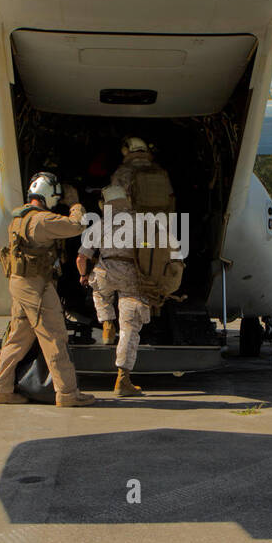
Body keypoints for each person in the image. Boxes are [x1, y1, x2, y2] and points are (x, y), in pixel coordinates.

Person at [0, 172, 96, 407]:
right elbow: (77, 225)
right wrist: (75, 202)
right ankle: (67, 393)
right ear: (48, 195)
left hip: (21, 283)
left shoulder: (19, 218)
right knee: (54, 335)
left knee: (18, 339)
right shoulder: (42, 220)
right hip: (36, 285)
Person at [81, 136, 179, 397]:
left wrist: (83, 274)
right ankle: (123, 379)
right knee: (131, 327)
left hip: (105, 269)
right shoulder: (160, 175)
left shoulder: (102, 217)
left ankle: (105, 320)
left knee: (98, 286)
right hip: (135, 268)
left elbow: (82, 257)